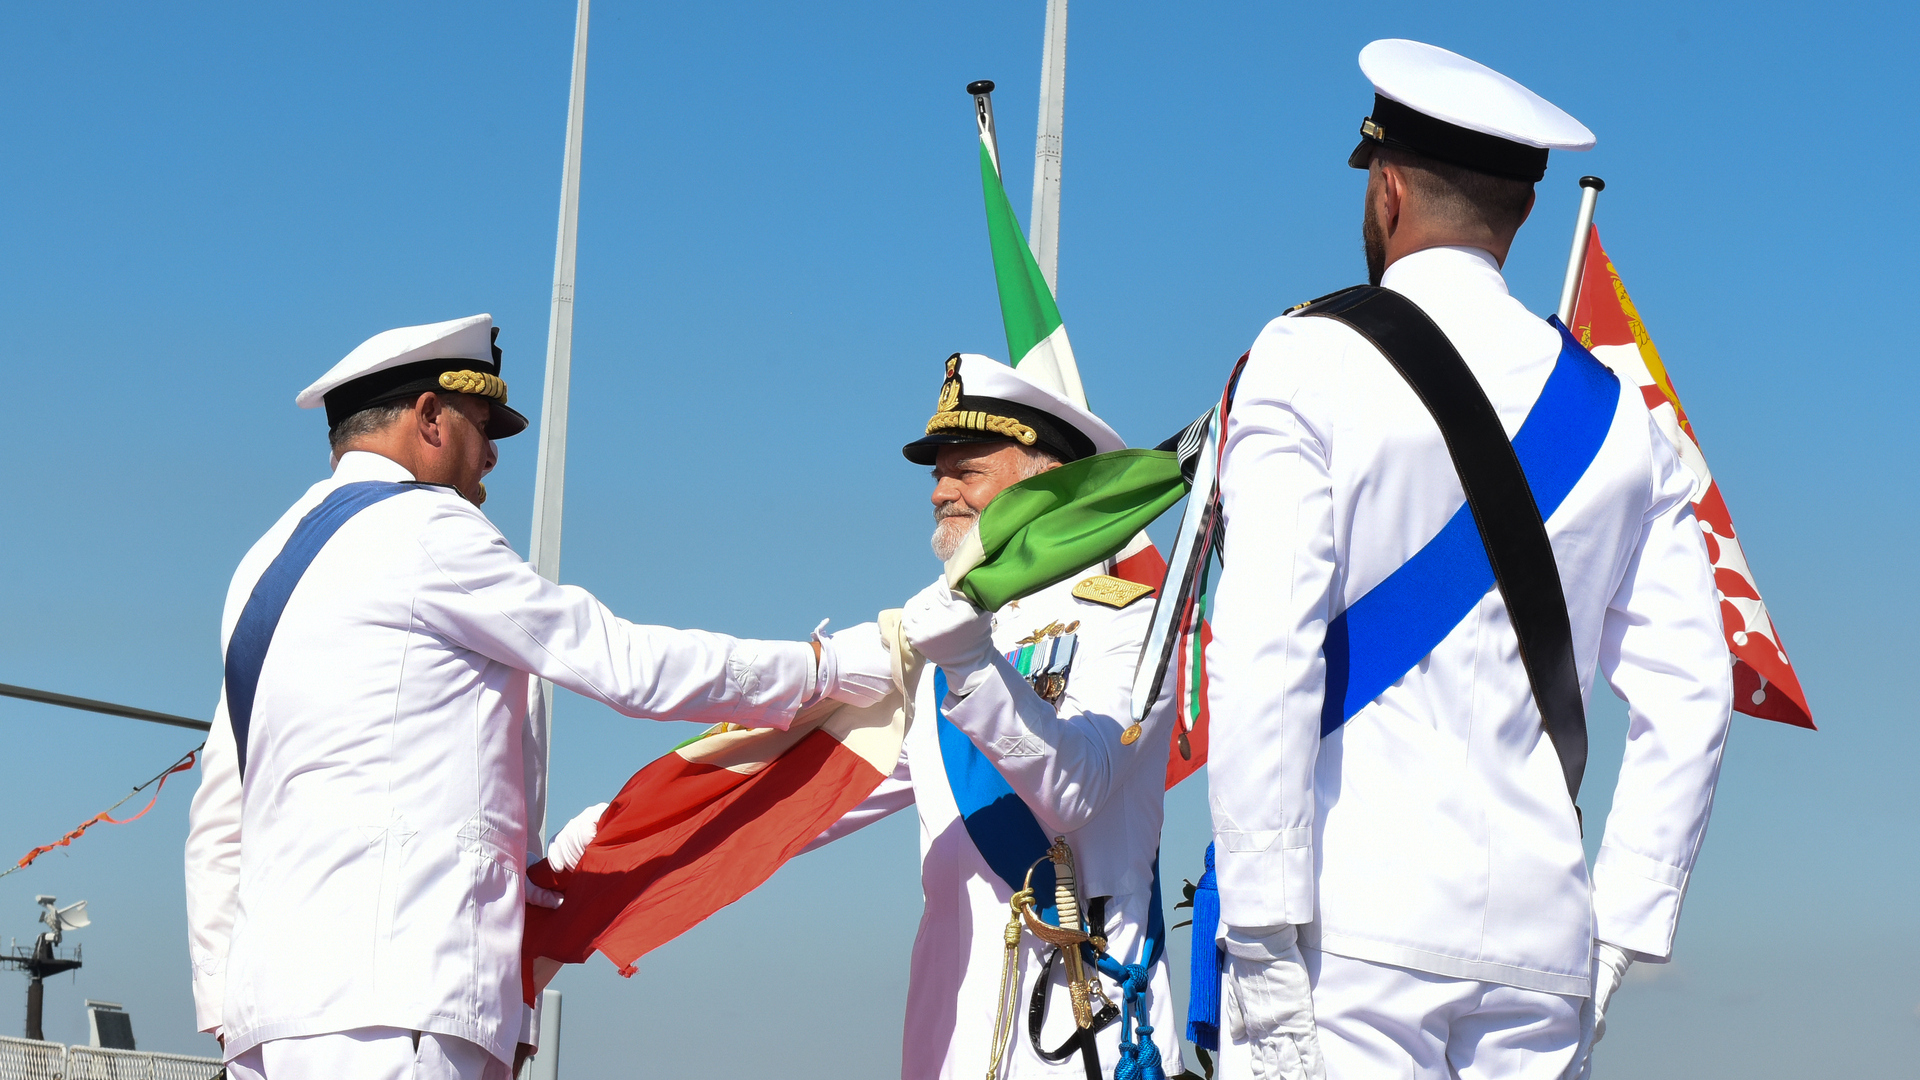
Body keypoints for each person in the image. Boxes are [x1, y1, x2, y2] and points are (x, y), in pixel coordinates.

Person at [1204, 40, 1734, 1080]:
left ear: (1388, 188)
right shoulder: (1625, 422)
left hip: (1348, 929)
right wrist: (1618, 934)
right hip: (1545, 945)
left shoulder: (1305, 358)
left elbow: (1265, 653)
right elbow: (1694, 697)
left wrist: (1261, 932)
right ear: (1523, 210)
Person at [183, 314, 893, 1080]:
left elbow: (222, 808)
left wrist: (224, 1000)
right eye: (482, 424)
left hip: (271, 1015)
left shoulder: (263, 565)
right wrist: (825, 669)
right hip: (399, 1000)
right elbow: (623, 662)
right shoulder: (429, 528)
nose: (492, 454)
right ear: (430, 417)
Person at [806, 353, 1183, 1078]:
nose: (939, 491)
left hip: (1077, 1038)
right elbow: (817, 796)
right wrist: (622, 845)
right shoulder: (946, 643)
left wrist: (972, 665)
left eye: (966, 470)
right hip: (954, 1047)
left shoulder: (1129, 623)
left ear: (1044, 483)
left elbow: (1074, 788)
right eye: (937, 472)